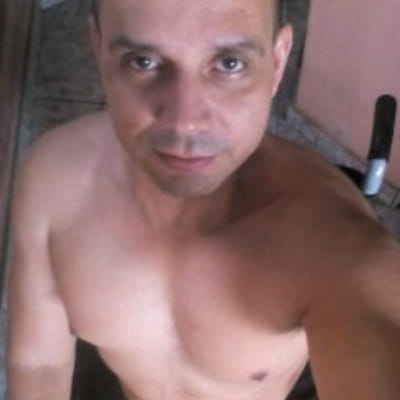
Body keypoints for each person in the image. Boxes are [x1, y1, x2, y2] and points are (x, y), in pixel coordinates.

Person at [6, 0, 400, 399]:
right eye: (143, 62)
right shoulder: (55, 182)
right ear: (98, 47)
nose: (185, 122)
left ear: (278, 62)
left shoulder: (335, 244)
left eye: (230, 63)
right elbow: (40, 365)